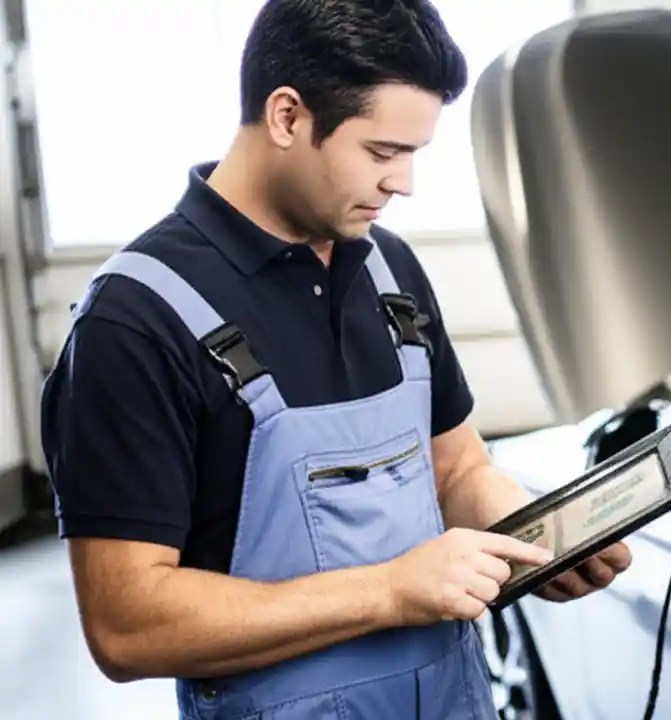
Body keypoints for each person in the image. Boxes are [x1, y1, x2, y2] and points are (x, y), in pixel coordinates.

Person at [38, 1, 631, 718]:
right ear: (287, 116)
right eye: (382, 153)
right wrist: (388, 591)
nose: (403, 182)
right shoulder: (133, 322)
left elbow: (456, 469)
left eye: (414, 153)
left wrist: (539, 540)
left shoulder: (390, 271)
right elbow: (126, 626)